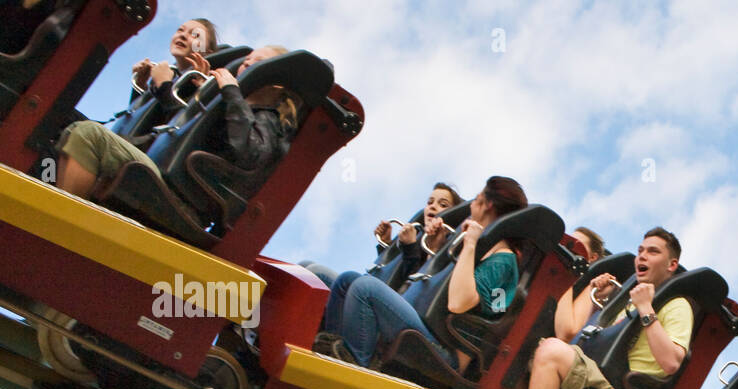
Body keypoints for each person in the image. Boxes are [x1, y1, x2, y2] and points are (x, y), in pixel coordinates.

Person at [315, 176, 526, 369]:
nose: (472, 204)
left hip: (445, 350)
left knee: (365, 288)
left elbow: (458, 303)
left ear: (487, 204)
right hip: (426, 323)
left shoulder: (503, 260)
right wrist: (435, 247)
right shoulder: (476, 242)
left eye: (477, 198)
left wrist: (470, 244)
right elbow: (436, 285)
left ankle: (354, 365)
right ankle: (332, 346)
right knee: (347, 280)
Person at [54, 45, 299, 201]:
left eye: (258, 62)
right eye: (248, 58)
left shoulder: (268, 118)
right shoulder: (230, 104)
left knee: (90, 135)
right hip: (170, 170)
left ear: (276, 82)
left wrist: (230, 95)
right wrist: (204, 96)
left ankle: (61, 224)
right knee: (74, 128)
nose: (246, 63)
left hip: (183, 189)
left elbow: (248, 153)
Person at [525, 227, 689, 389]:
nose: (642, 256)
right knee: (535, 348)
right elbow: (584, 336)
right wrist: (599, 299)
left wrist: (645, 308)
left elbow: (671, 363)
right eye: (640, 251)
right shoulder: (629, 300)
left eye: (653, 252)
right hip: (601, 375)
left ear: (671, 265)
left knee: (552, 351)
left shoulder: (677, 305)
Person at [302, 182, 462, 288]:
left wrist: (410, 247)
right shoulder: (419, 234)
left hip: (385, 296)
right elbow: (391, 272)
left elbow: (411, 283)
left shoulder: (445, 244)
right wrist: (385, 244)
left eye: (442, 205)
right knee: (305, 266)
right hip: (375, 286)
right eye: (430, 202)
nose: (432, 207)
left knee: (317, 272)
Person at [128, 18, 219, 110]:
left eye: (195, 35)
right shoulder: (163, 80)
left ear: (207, 53)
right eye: (180, 30)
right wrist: (139, 84)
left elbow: (181, 119)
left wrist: (163, 84)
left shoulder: (212, 86)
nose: (183, 35)